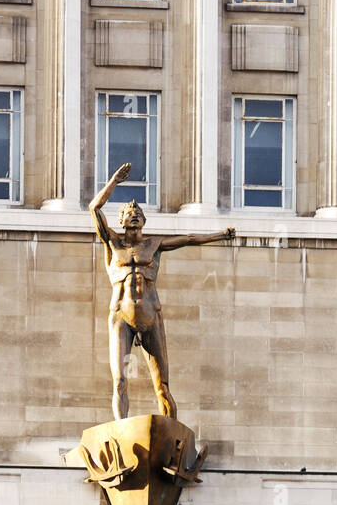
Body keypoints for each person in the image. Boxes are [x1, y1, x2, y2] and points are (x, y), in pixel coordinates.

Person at [89, 163, 235, 421]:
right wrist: (113, 181)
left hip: (151, 316)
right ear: (121, 220)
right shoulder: (112, 242)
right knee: (120, 381)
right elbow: (94, 208)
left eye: (138, 213)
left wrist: (220, 235)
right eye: (129, 212)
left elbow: (189, 239)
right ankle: (121, 429)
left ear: (144, 221)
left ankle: (173, 437)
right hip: (121, 316)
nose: (134, 215)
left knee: (163, 385)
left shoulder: (154, 245)